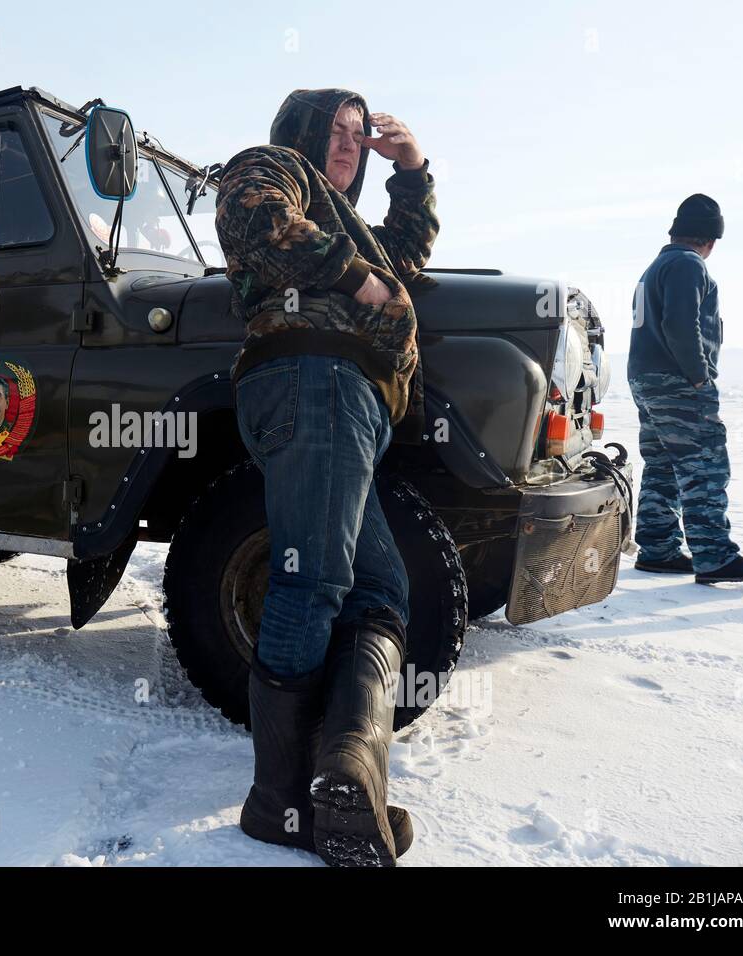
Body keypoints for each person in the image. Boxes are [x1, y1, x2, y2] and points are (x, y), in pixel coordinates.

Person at [215, 88, 438, 866]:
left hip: (350, 403)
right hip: (315, 379)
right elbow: (253, 212)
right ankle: (276, 803)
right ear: (305, 133)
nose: (348, 144)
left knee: (379, 590)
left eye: (357, 134)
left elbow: (403, 253)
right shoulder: (273, 165)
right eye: (336, 130)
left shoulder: (348, 223)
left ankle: (346, 778)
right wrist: (365, 286)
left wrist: (409, 172)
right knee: (310, 584)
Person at [628, 194, 743, 584]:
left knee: (662, 465)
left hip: (647, 379)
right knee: (704, 465)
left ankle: (658, 551)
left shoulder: (656, 266)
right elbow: (681, 324)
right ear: (710, 239)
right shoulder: (687, 264)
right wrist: (698, 376)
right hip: (677, 382)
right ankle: (714, 557)